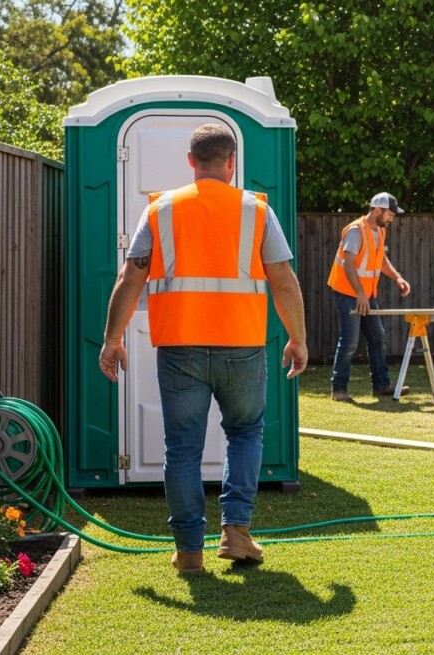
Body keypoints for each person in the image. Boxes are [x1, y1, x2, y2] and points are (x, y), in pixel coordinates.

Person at [98, 123, 308, 574]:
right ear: (231, 162)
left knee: (183, 450)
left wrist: (112, 340)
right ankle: (236, 532)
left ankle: (189, 551)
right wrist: (298, 337)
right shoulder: (256, 210)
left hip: (180, 348)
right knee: (245, 434)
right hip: (243, 346)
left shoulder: (160, 210)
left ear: (191, 161)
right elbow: (283, 280)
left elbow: (129, 278)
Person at [327, 192, 412, 401]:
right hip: (348, 293)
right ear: (377, 210)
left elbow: (381, 260)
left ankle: (381, 385)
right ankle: (339, 389)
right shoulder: (356, 231)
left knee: (378, 337)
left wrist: (398, 278)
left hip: (366, 294)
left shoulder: (380, 231)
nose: (392, 217)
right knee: (350, 342)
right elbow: (348, 264)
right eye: (390, 213)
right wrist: (360, 294)